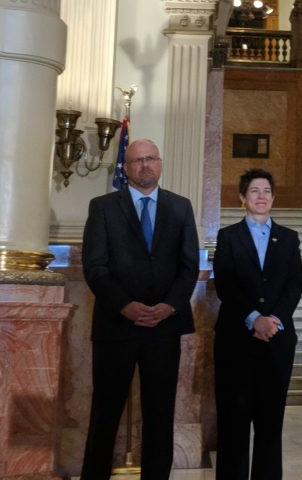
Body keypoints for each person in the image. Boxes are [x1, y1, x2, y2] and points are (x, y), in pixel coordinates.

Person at [80, 138, 200, 480]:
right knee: (105, 414)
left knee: (160, 415)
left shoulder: (180, 207)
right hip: (116, 326)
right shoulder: (102, 207)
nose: (145, 165)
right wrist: (124, 306)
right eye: (137, 160)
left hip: (164, 327)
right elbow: (95, 266)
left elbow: (189, 265)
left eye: (150, 159)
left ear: (160, 163)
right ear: (126, 168)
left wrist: (169, 306)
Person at [213, 168, 302, 480]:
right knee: (234, 422)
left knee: (270, 423)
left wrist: (274, 320)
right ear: (242, 198)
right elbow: (226, 284)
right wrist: (255, 318)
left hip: (277, 341)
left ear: (273, 197)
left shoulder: (289, 238)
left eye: (266, 191)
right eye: (254, 191)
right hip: (236, 340)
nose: (261, 196)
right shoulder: (228, 237)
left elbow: (295, 284)